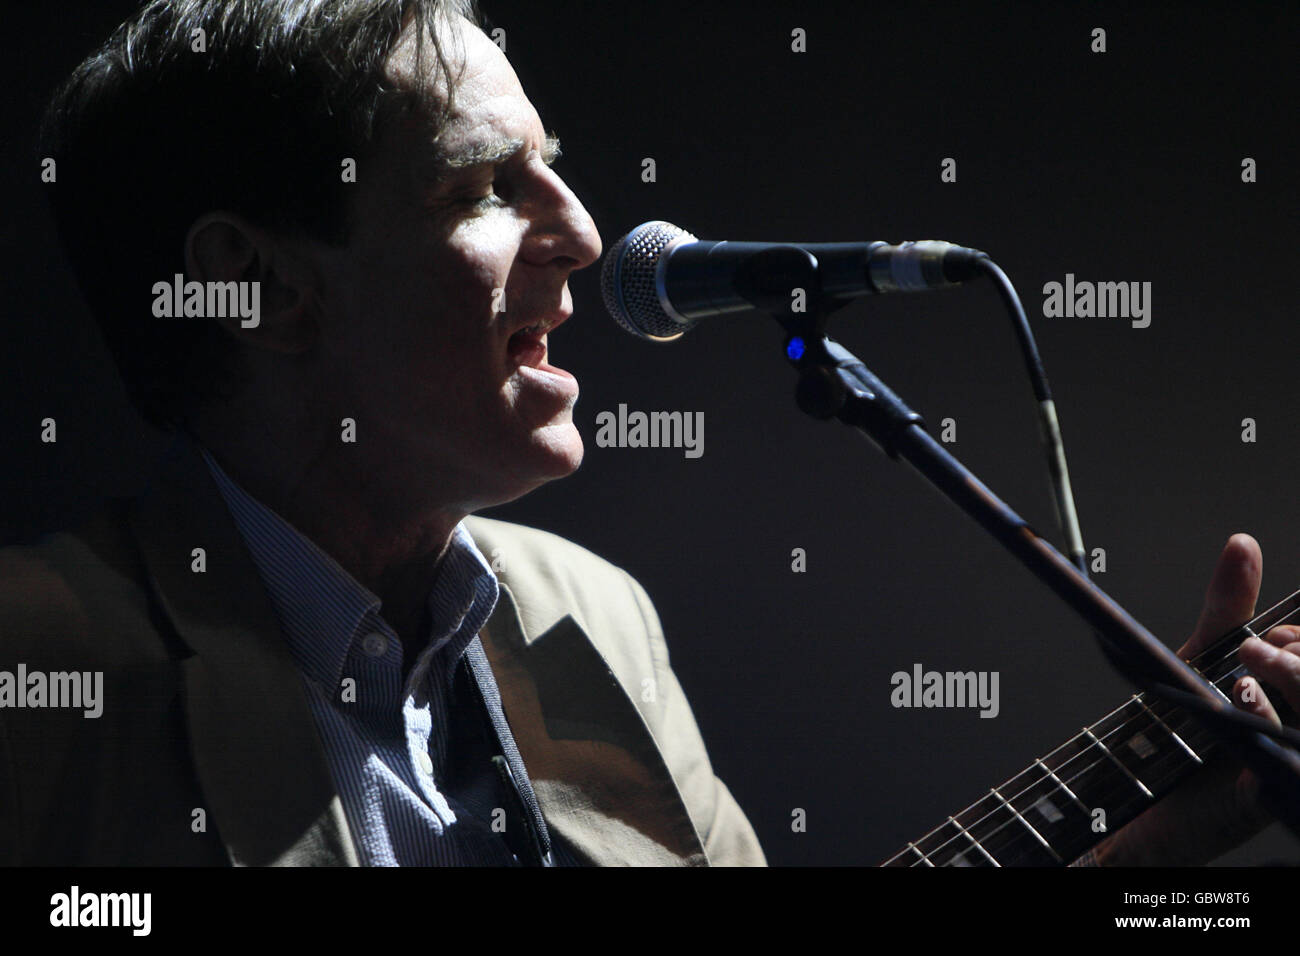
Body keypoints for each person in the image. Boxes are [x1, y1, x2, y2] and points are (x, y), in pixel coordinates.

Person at [1, 0, 764, 866]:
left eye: (549, 168)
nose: (584, 237)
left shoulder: (600, 615)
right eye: (482, 187)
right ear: (256, 284)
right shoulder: (37, 665)